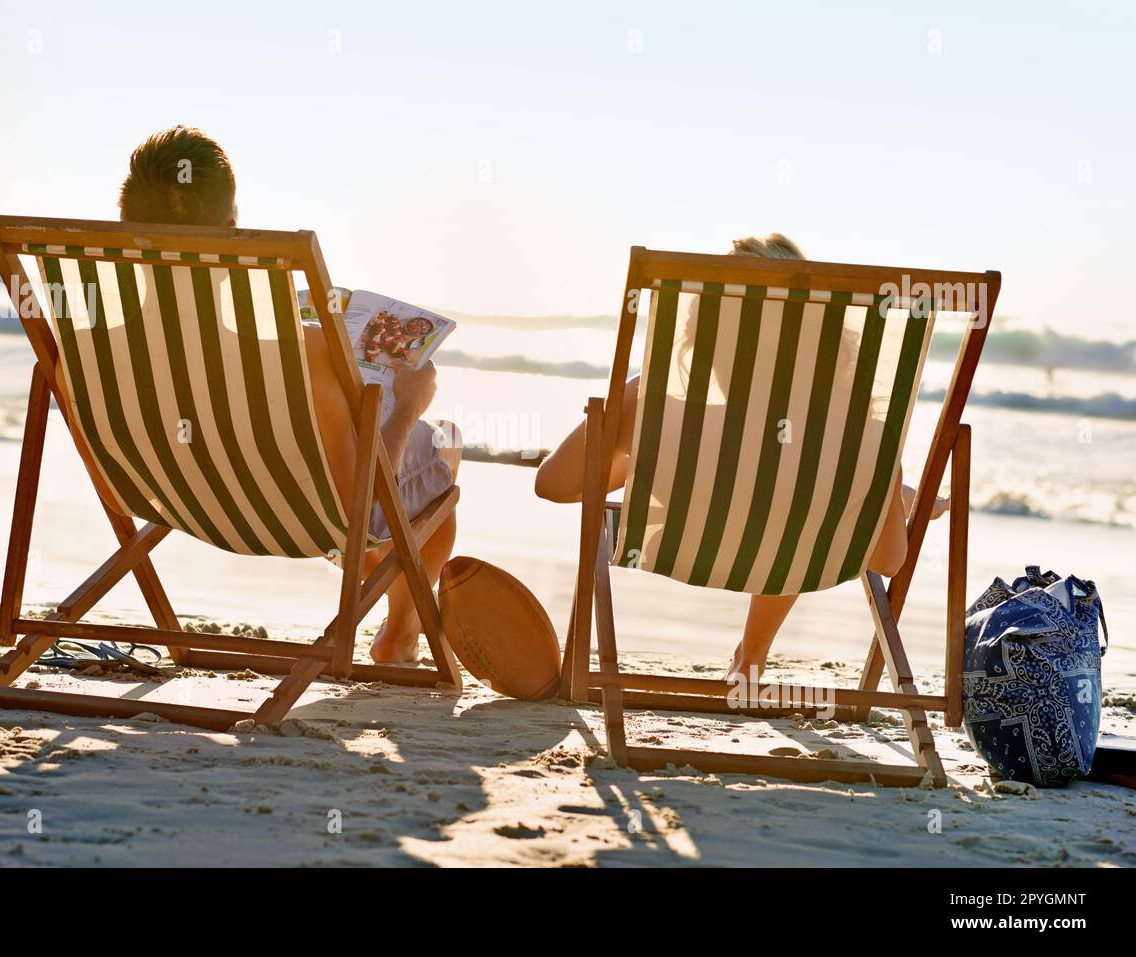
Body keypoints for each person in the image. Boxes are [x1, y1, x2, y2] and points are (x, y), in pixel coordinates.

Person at [534, 233, 947, 681]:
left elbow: (553, 484)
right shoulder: (862, 436)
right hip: (798, 532)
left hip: (686, 531)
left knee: (776, 487)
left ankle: (751, 648)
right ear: (822, 335)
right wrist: (888, 486)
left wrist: (636, 451)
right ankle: (750, 660)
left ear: (704, 333)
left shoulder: (653, 404)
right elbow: (887, 561)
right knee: (796, 501)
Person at [118, 125, 459, 664]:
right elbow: (361, 505)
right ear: (232, 229)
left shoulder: (92, 345)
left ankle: (396, 614)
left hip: (166, 498)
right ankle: (402, 630)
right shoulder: (296, 347)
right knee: (439, 444)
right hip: (296, 514)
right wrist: (409, 405)